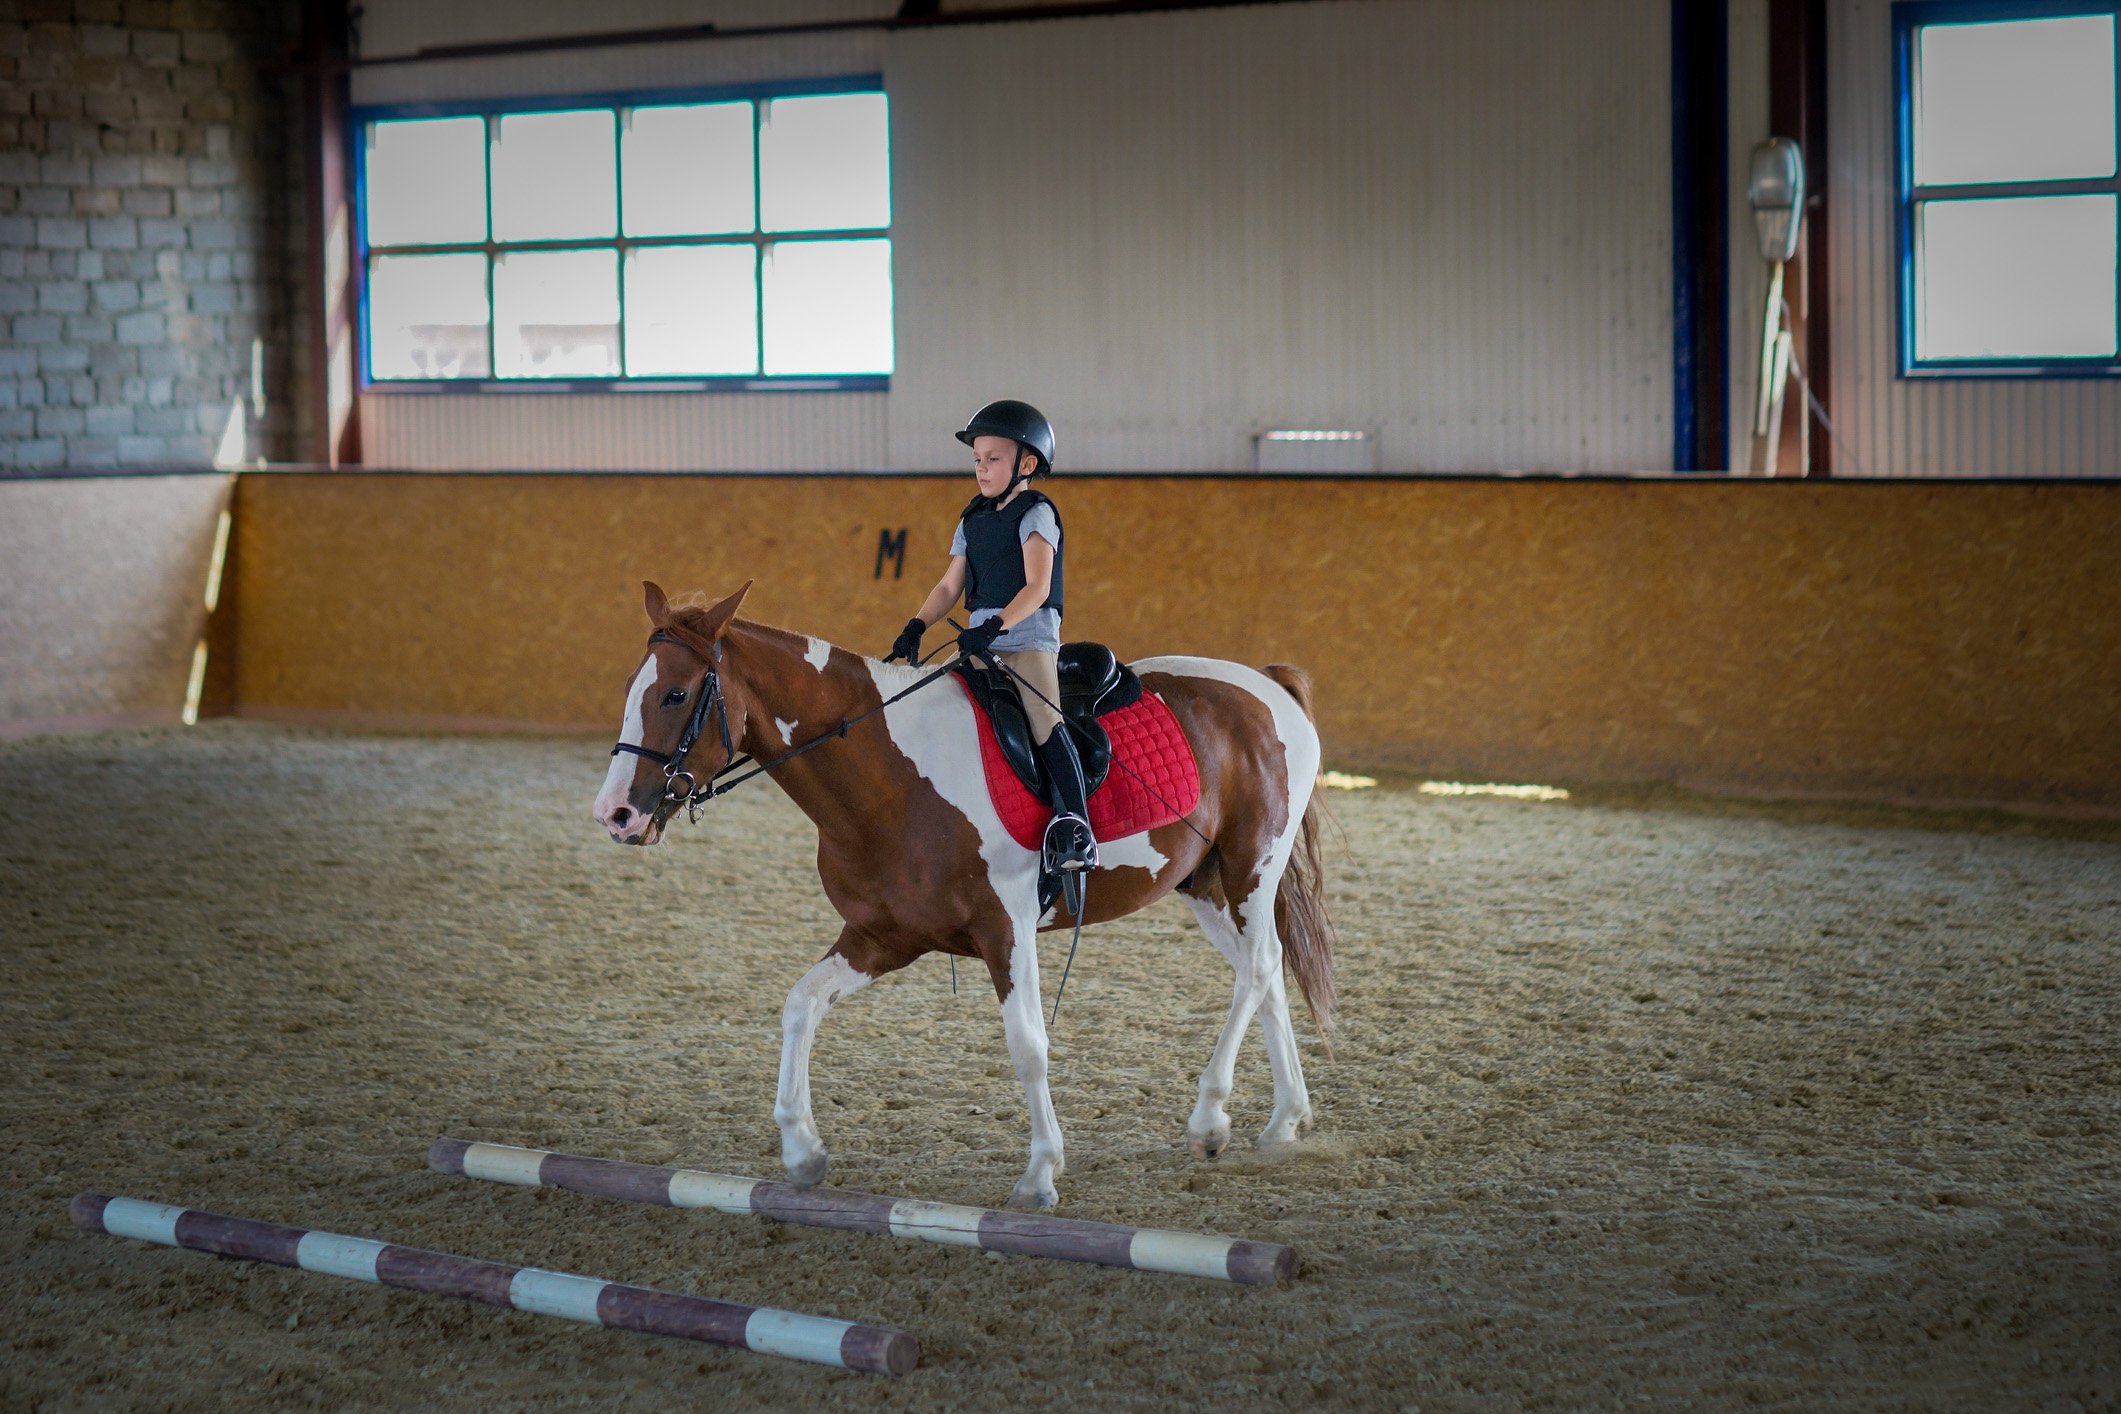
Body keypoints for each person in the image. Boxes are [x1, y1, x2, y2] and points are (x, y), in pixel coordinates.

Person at [885, 400, 1097, 875]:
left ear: (1026, 463)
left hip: (1027, 640)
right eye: (977, 459)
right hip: (978, 641)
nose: (981, 469)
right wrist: (917, 624)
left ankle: (1076, 825)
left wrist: (996, 627)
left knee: (1043, 718)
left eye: (993, 459)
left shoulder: (1036, 513)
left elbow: (1037, 586)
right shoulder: (973, 519)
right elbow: (948, 586)